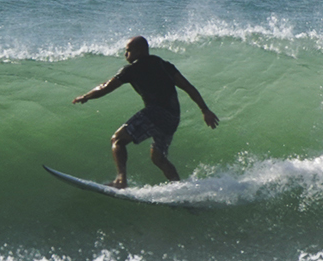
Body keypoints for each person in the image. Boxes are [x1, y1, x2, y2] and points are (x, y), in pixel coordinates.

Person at [72, 36, 219, 186]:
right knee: (158, 157)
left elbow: (105, 87)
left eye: (128, 51)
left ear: (139, 50)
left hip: (156, 113)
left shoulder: (132, 70)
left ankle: (120, 180)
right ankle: (180, 187)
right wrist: (205, 110)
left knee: (117, 140)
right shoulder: (163, 64)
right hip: (173, 118)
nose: (125, 54)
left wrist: (86, 97)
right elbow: (188, 87)